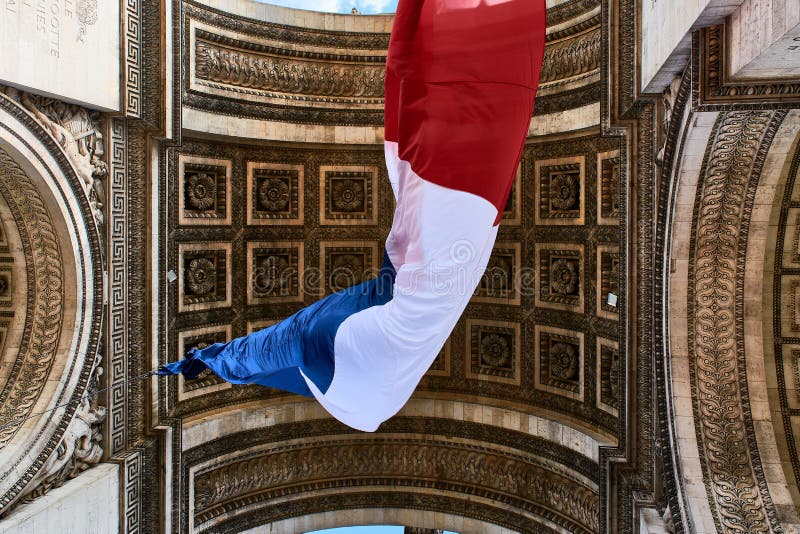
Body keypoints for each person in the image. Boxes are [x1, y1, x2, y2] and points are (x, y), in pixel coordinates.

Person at [157, 0, 547, 432]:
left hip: (368, 368)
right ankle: (219, 361)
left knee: (297, 335)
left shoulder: (437, 264)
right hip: (359, 369)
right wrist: (216, 359)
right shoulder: (420, 269)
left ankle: (218, 360)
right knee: (293, 338)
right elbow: (289, 340)